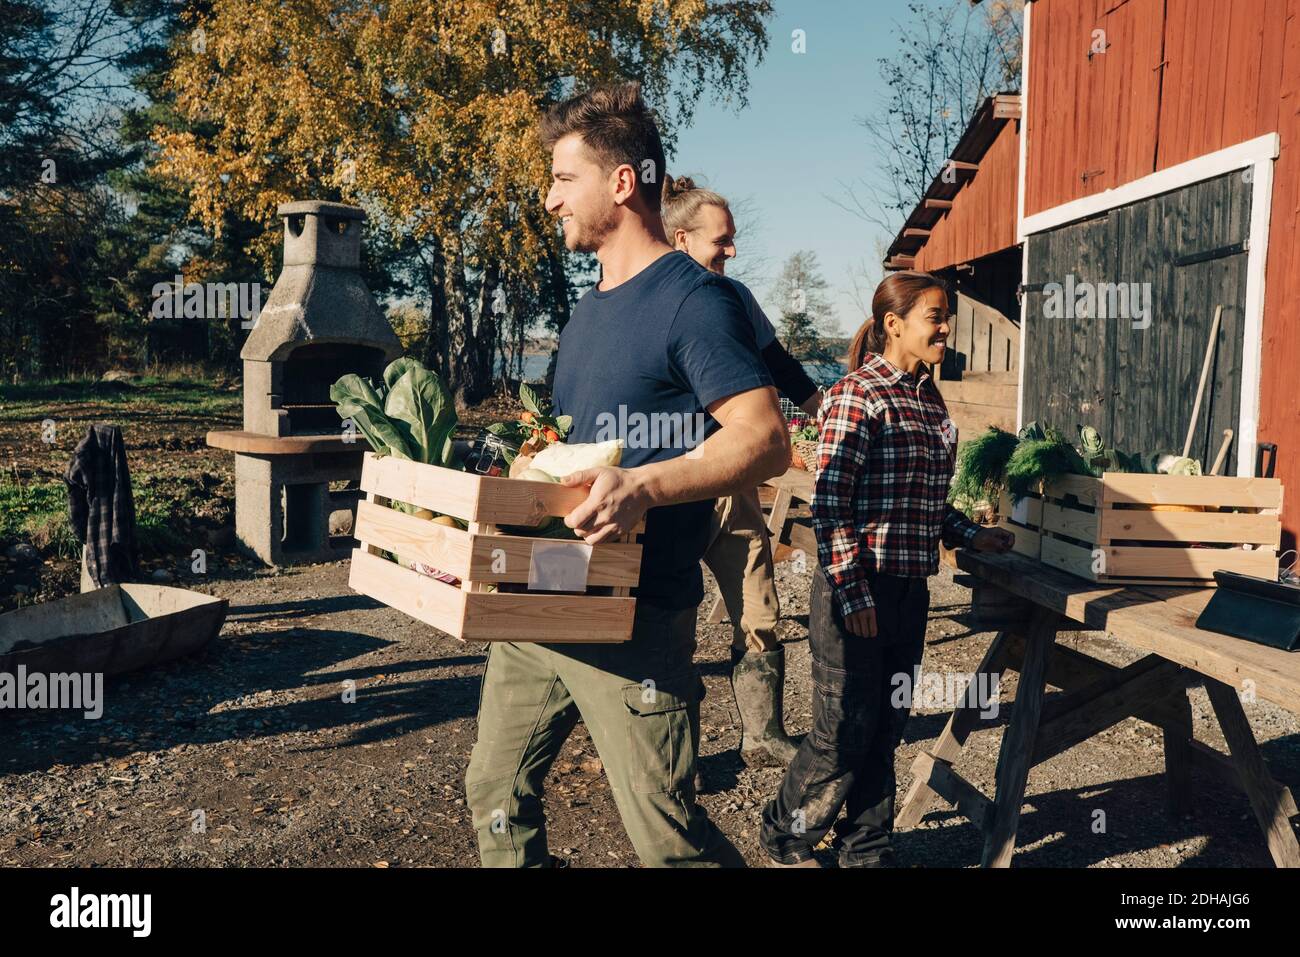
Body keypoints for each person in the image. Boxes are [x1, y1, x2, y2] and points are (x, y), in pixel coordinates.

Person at [464, 83, 791, 868]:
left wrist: (643, 486)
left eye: (563, 179)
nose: (549, 200)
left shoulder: (696, 303)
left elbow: (766, 439)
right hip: (541, 601)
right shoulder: (585, 314)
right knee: (495, 792)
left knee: (666, 840)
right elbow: (573, 443)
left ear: (621, 183)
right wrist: (518, 474)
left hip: (634, 622)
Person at [759, 271, 1015, 868]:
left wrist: (978, 534)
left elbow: (924, 501)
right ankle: (783, 839)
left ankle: (865, 852)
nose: (946, 327)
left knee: (886, 729)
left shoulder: (927, 399)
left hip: (908, 593)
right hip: (857, 592)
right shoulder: (858, 395)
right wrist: (852, 594)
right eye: (935, 316)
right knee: (840, 735)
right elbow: (831, 503)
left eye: (945, 315)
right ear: (894, 324)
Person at [660, 174, 820, 767]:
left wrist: (822, 414)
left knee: (759, 608)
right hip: (667, 486)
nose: (732, 250)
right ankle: (671, 757)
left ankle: (762, 734)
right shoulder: (650, 300)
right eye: (721, 240)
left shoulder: (734, 298)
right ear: (681, 238)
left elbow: (778, 361)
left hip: (732, 484)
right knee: (666, 622)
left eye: (732, 239)